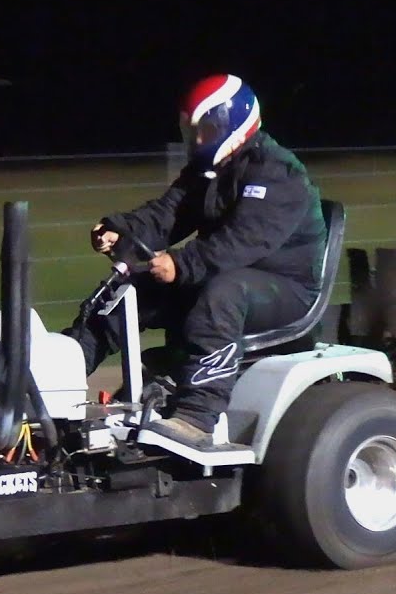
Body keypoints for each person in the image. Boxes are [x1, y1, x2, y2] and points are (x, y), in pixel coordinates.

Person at [63, 73, 326, 450]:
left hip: (285, 288)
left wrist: (181, 264)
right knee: (129, 288)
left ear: (230, 125)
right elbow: (167, 215)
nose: (197, 139)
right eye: (193, 130)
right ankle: (57, 375)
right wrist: (121, 231)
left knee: (223, 292)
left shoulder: (277, 173)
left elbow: (242, 241)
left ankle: (197, 417)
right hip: (225, 272)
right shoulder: (209, 172)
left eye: (204, 130)